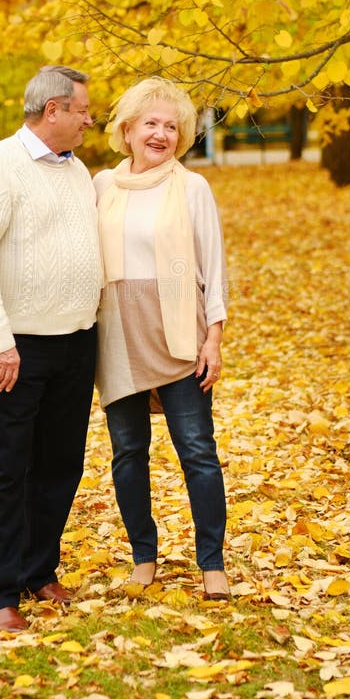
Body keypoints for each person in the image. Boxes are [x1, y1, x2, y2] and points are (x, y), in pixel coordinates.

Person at [0, 66, 102, 632]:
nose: (91, 119)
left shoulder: (78, 170)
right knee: (6, 468)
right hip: (15, 347)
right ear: (54, 111)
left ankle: (39, 569)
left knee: (60, 464)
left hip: (77, 341)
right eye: (84, 110)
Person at [93, 77, 230, 600]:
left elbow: (212, 270)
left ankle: (211, 562)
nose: (161, 134)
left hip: (179, 335)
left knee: (198, 451)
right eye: (150, 123)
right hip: (118, 335)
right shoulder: (102, 185)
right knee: (128, 452)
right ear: (127, 130)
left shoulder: (191, 188)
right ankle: (143, 557)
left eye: (172, 126)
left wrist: (213, 338)